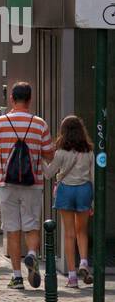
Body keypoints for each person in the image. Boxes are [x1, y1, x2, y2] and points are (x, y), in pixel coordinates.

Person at [0, 82, 54, 289]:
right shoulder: (39, 124)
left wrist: (6, 154)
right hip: (33, 183)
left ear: (11, 99)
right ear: (30, 99)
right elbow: (49, 154)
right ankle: (32, 254)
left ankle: (16, 277)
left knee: (12, 229)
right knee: (31, 225)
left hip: (7, 182)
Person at [44, 115, 95, 288]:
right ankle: (84, 262)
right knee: (82, 231)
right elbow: (93, 177)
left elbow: (49, 173)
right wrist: (92, 202)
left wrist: (40, 160)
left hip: (66, 190)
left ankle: (72, 277)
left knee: (69, 233)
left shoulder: (60, 152)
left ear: (63, 132)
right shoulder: (89, 152)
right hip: (84, 191)